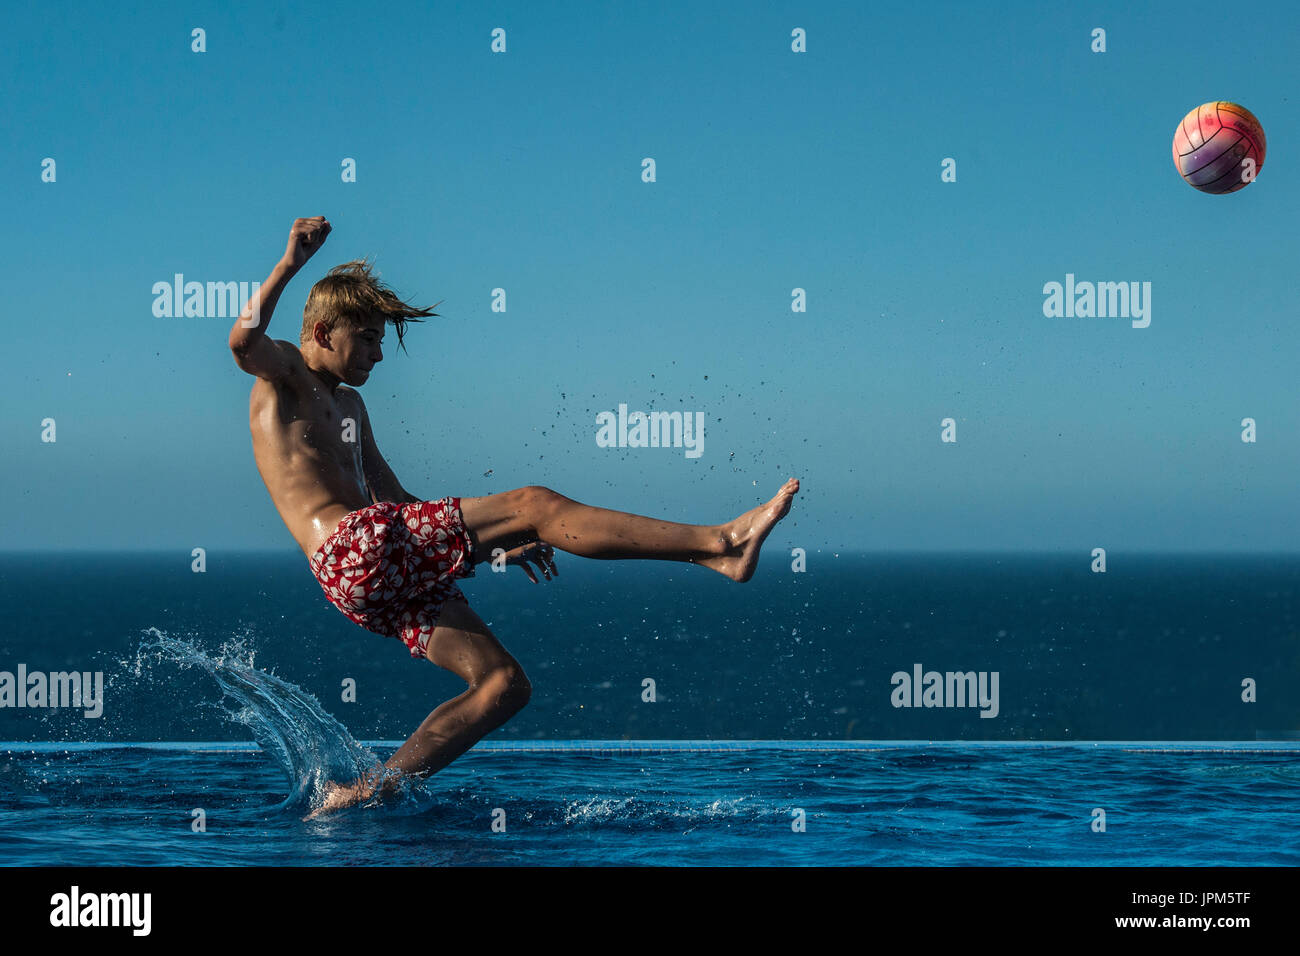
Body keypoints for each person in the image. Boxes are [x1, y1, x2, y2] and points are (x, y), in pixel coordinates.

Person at [228, 217, 800, 815]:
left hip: (362, 576)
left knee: (503, 685)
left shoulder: (351, 405)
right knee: (535, 504)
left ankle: (367, 793)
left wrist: (492, 545)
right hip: (352, 549)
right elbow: (242, 344)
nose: (377, 353)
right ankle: (719, 541)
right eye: (367, 339)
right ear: (322, 330)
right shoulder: (287, 374)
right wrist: (289, 263)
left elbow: (396, 503)